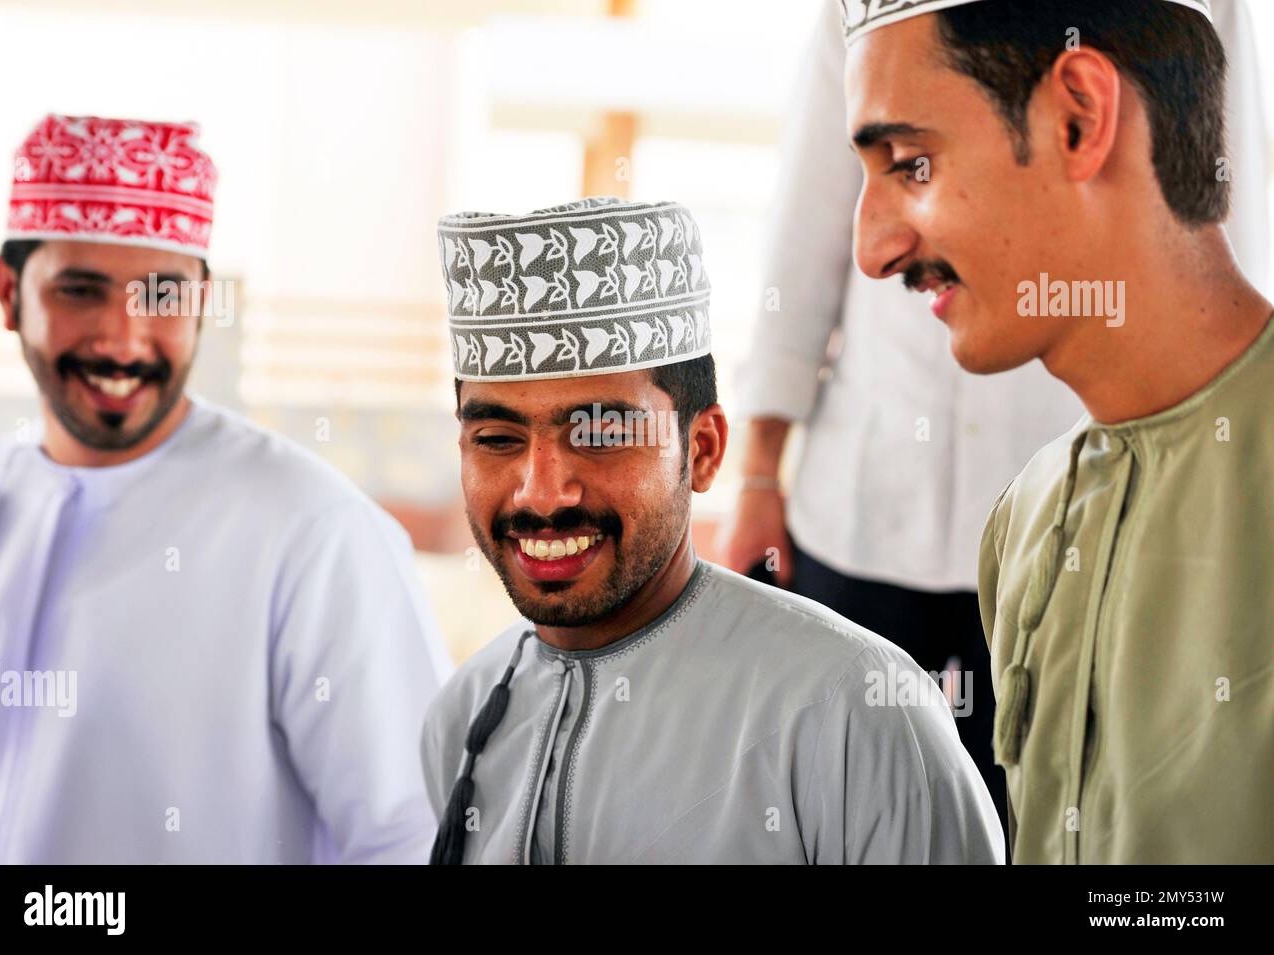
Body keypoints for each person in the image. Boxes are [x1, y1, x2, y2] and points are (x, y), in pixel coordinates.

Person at [715, 0, 1268, 841]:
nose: (875, 252)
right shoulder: (1030, 524)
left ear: (1081, 118)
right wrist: (759, 469)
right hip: (871, 511)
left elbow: (1218, 193)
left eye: (912, 164)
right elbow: (801, 233)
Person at [420, 196, 1003, 864]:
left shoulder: (854, 711)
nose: (543, 492)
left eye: (602, 434)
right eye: (496, 437)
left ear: (701, 449)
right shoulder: (462, 717)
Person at [0, 114, 452, 863]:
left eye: (162, 294)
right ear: (10, 292)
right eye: (80, 290)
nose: (123, 338)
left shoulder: (312, 529)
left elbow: (415, 838)